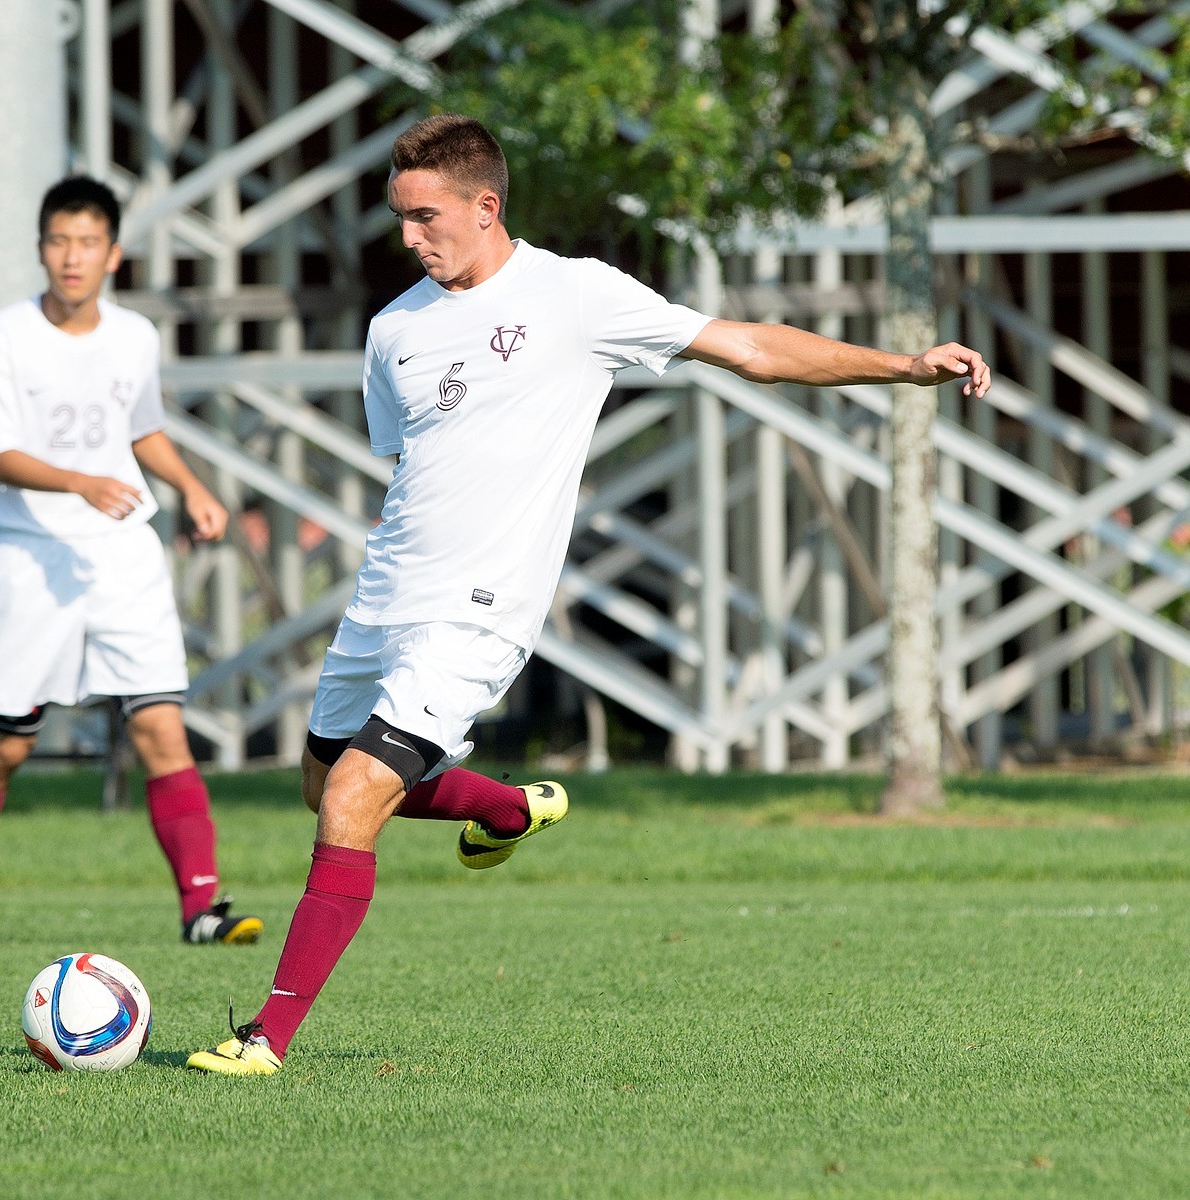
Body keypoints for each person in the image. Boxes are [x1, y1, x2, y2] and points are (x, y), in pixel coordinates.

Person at [187, 115, 990, 1074]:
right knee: (323, 789)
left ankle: (264, 1038)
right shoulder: (392, 329)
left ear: (487, 206)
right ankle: (507, 811)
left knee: (355, 798)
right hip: (384, 600)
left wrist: (903, 365)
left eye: (426, 216)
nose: (409, 238)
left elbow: (751, 347)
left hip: (481, 609)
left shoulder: (576, 296)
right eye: (400, 218)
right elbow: (414, 466)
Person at [0, 176, 261, 949]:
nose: (70, 257)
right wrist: (79, 481)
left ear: (112, 254)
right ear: (41, 249)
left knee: (160, 728)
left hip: (122, 556)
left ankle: (203, 908)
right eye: (57, 241)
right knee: (8, 743)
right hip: (32, 558)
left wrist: (193, 488)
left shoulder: (134, 336)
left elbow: (141, 429)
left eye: (86, 243)